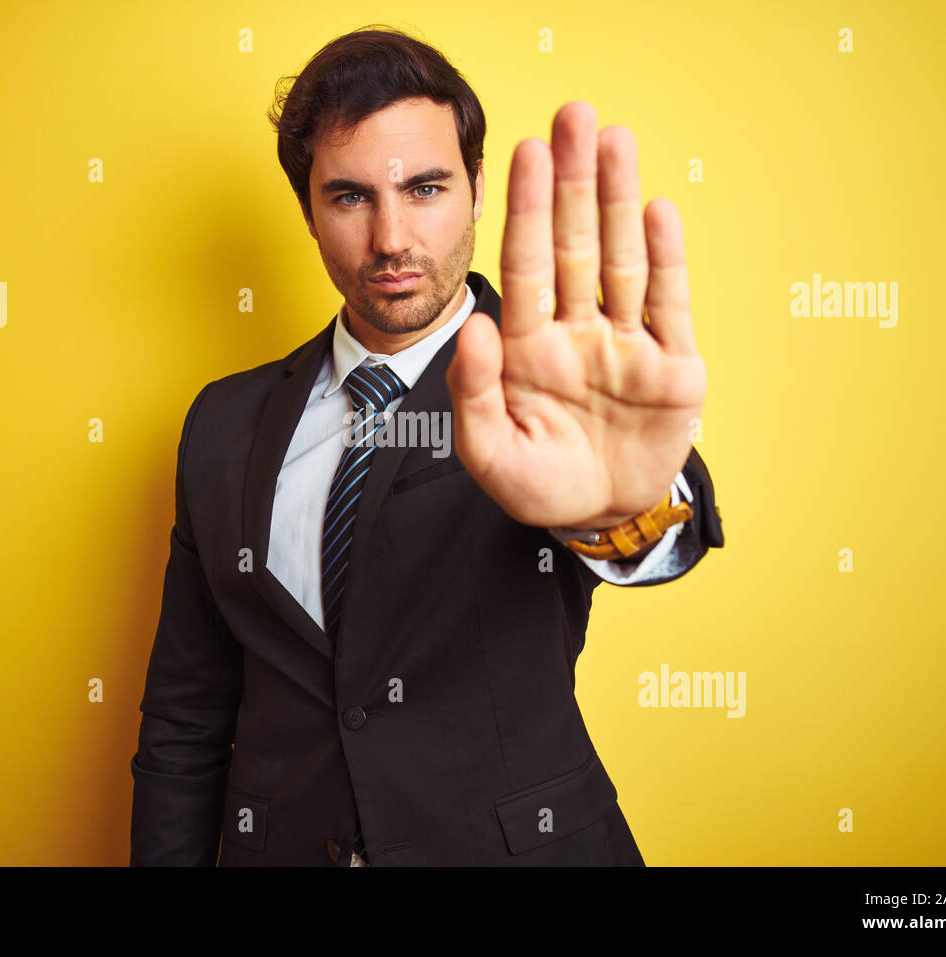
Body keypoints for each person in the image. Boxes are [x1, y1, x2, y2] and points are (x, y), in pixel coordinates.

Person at [130, 25, 724, 867]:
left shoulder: (547, 386)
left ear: (478, 190)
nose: (393, 239)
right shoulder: (222, 425)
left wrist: (622, 508)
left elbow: (645, 516)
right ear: (307, 210)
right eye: (350, 196)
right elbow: (187, 715)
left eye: (426, 188)